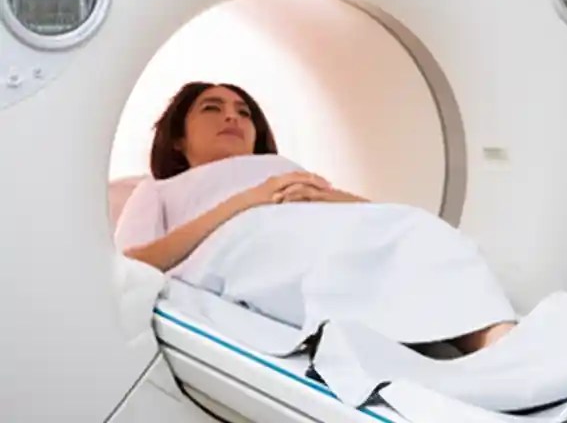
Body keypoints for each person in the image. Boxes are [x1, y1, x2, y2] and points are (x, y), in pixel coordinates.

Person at [113, 80, 513, 354]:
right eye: (211, 109)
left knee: (416, 226)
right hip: (246, 242)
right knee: (321, 259)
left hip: (315, 222)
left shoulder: (281, 166)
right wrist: (248, 201)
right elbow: (133, 265)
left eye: (244, 112)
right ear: (179, 139)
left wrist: (331, 197)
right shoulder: (159, 188)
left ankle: (494, 339)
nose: (232, 117)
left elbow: (374, 218)